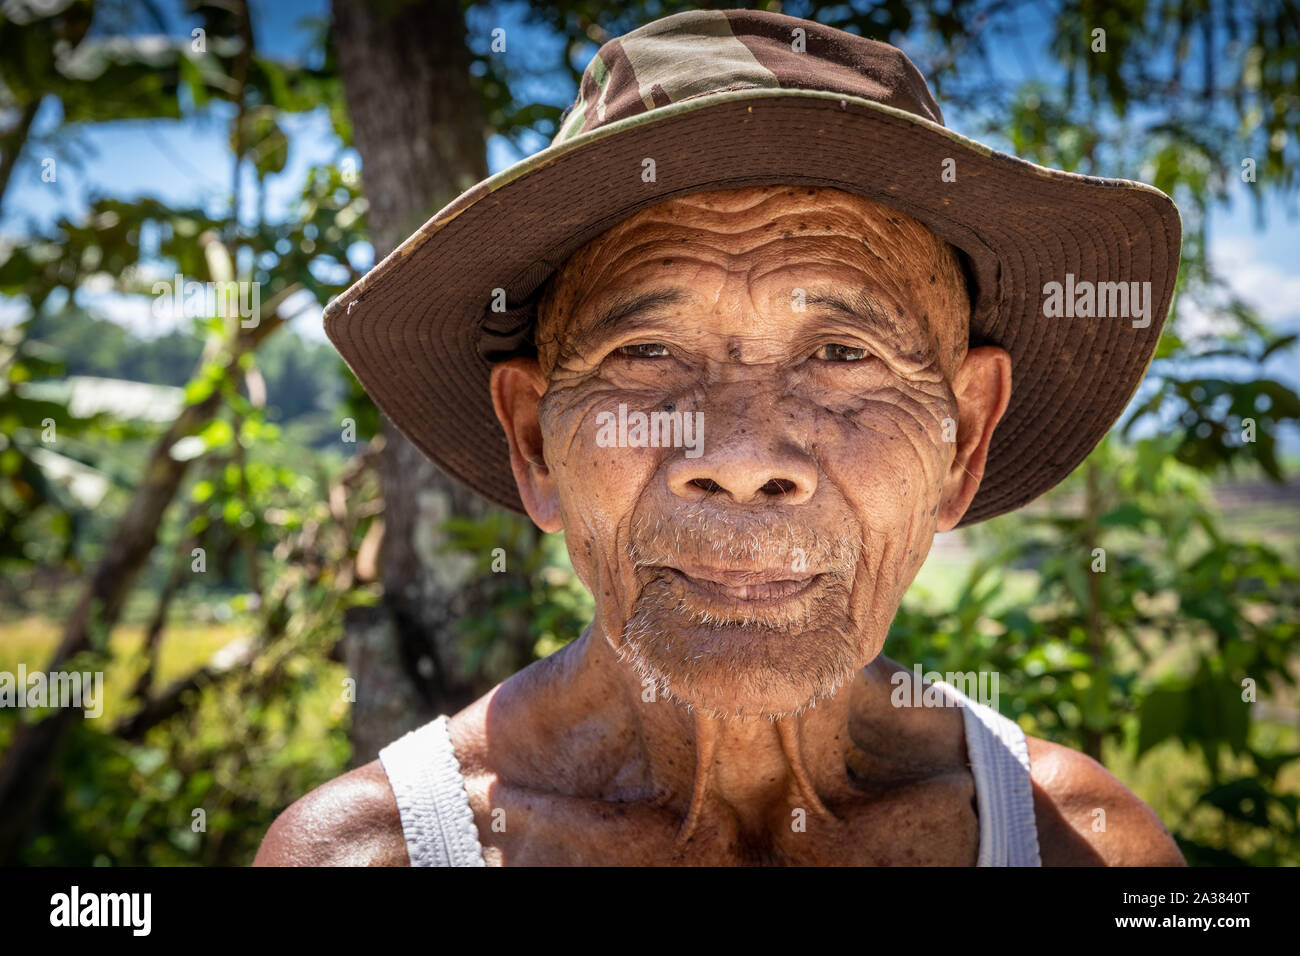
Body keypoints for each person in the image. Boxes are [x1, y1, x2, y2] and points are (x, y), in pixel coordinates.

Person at [255, 9, 1185, 866]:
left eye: (842, 354)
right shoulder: (375, 856)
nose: (742, 458)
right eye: (649, 352)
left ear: (963, 437)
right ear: (535, 442)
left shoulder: (1081, 847)